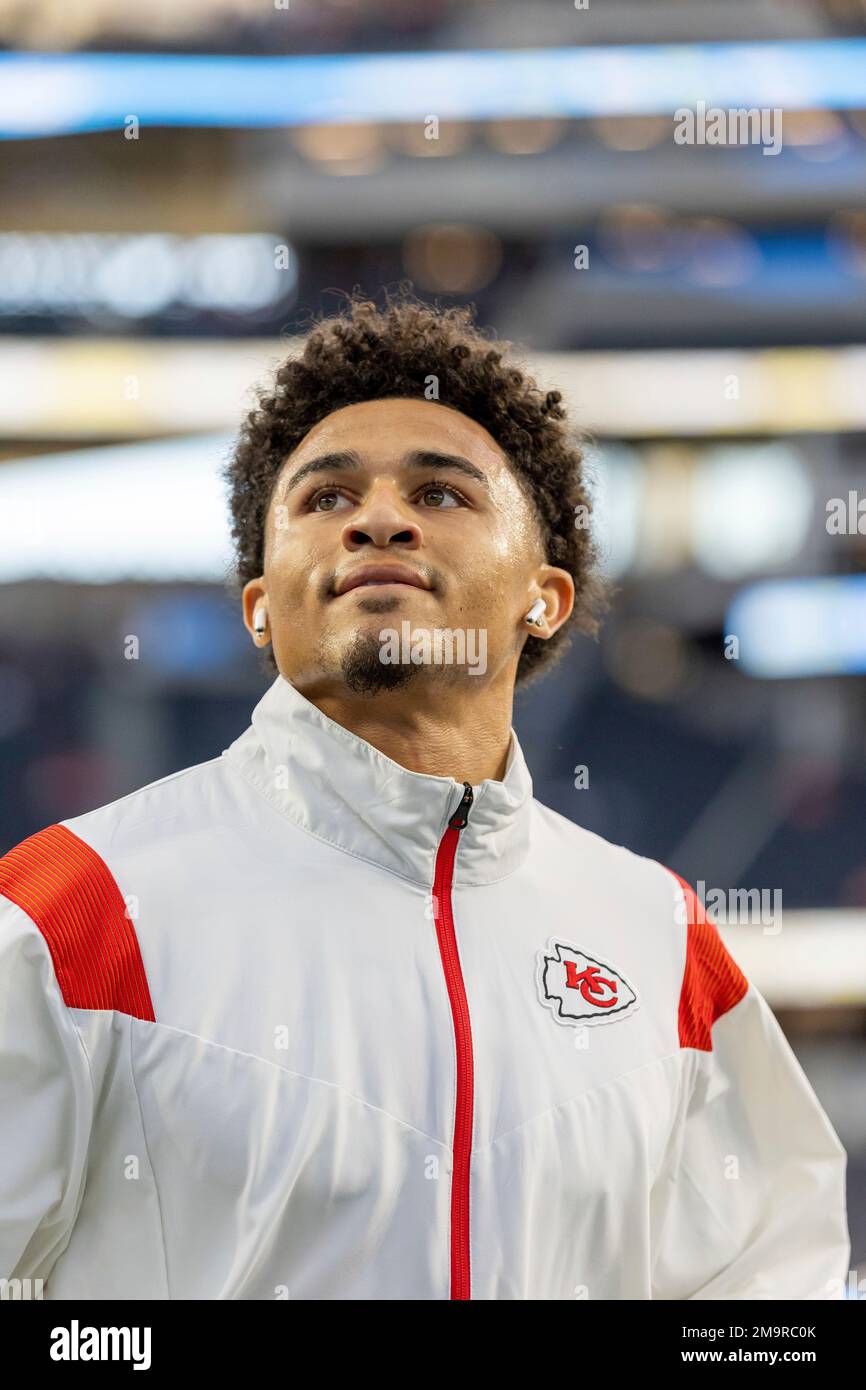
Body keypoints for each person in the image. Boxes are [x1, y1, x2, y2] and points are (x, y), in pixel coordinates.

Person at [0, 293, 849, 1300]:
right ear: (261, 606)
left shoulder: (659, 938)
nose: (377, 518)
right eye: (324, 498)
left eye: (441, 492)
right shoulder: (72, 908)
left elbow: (771, 1293)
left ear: (546, 598)